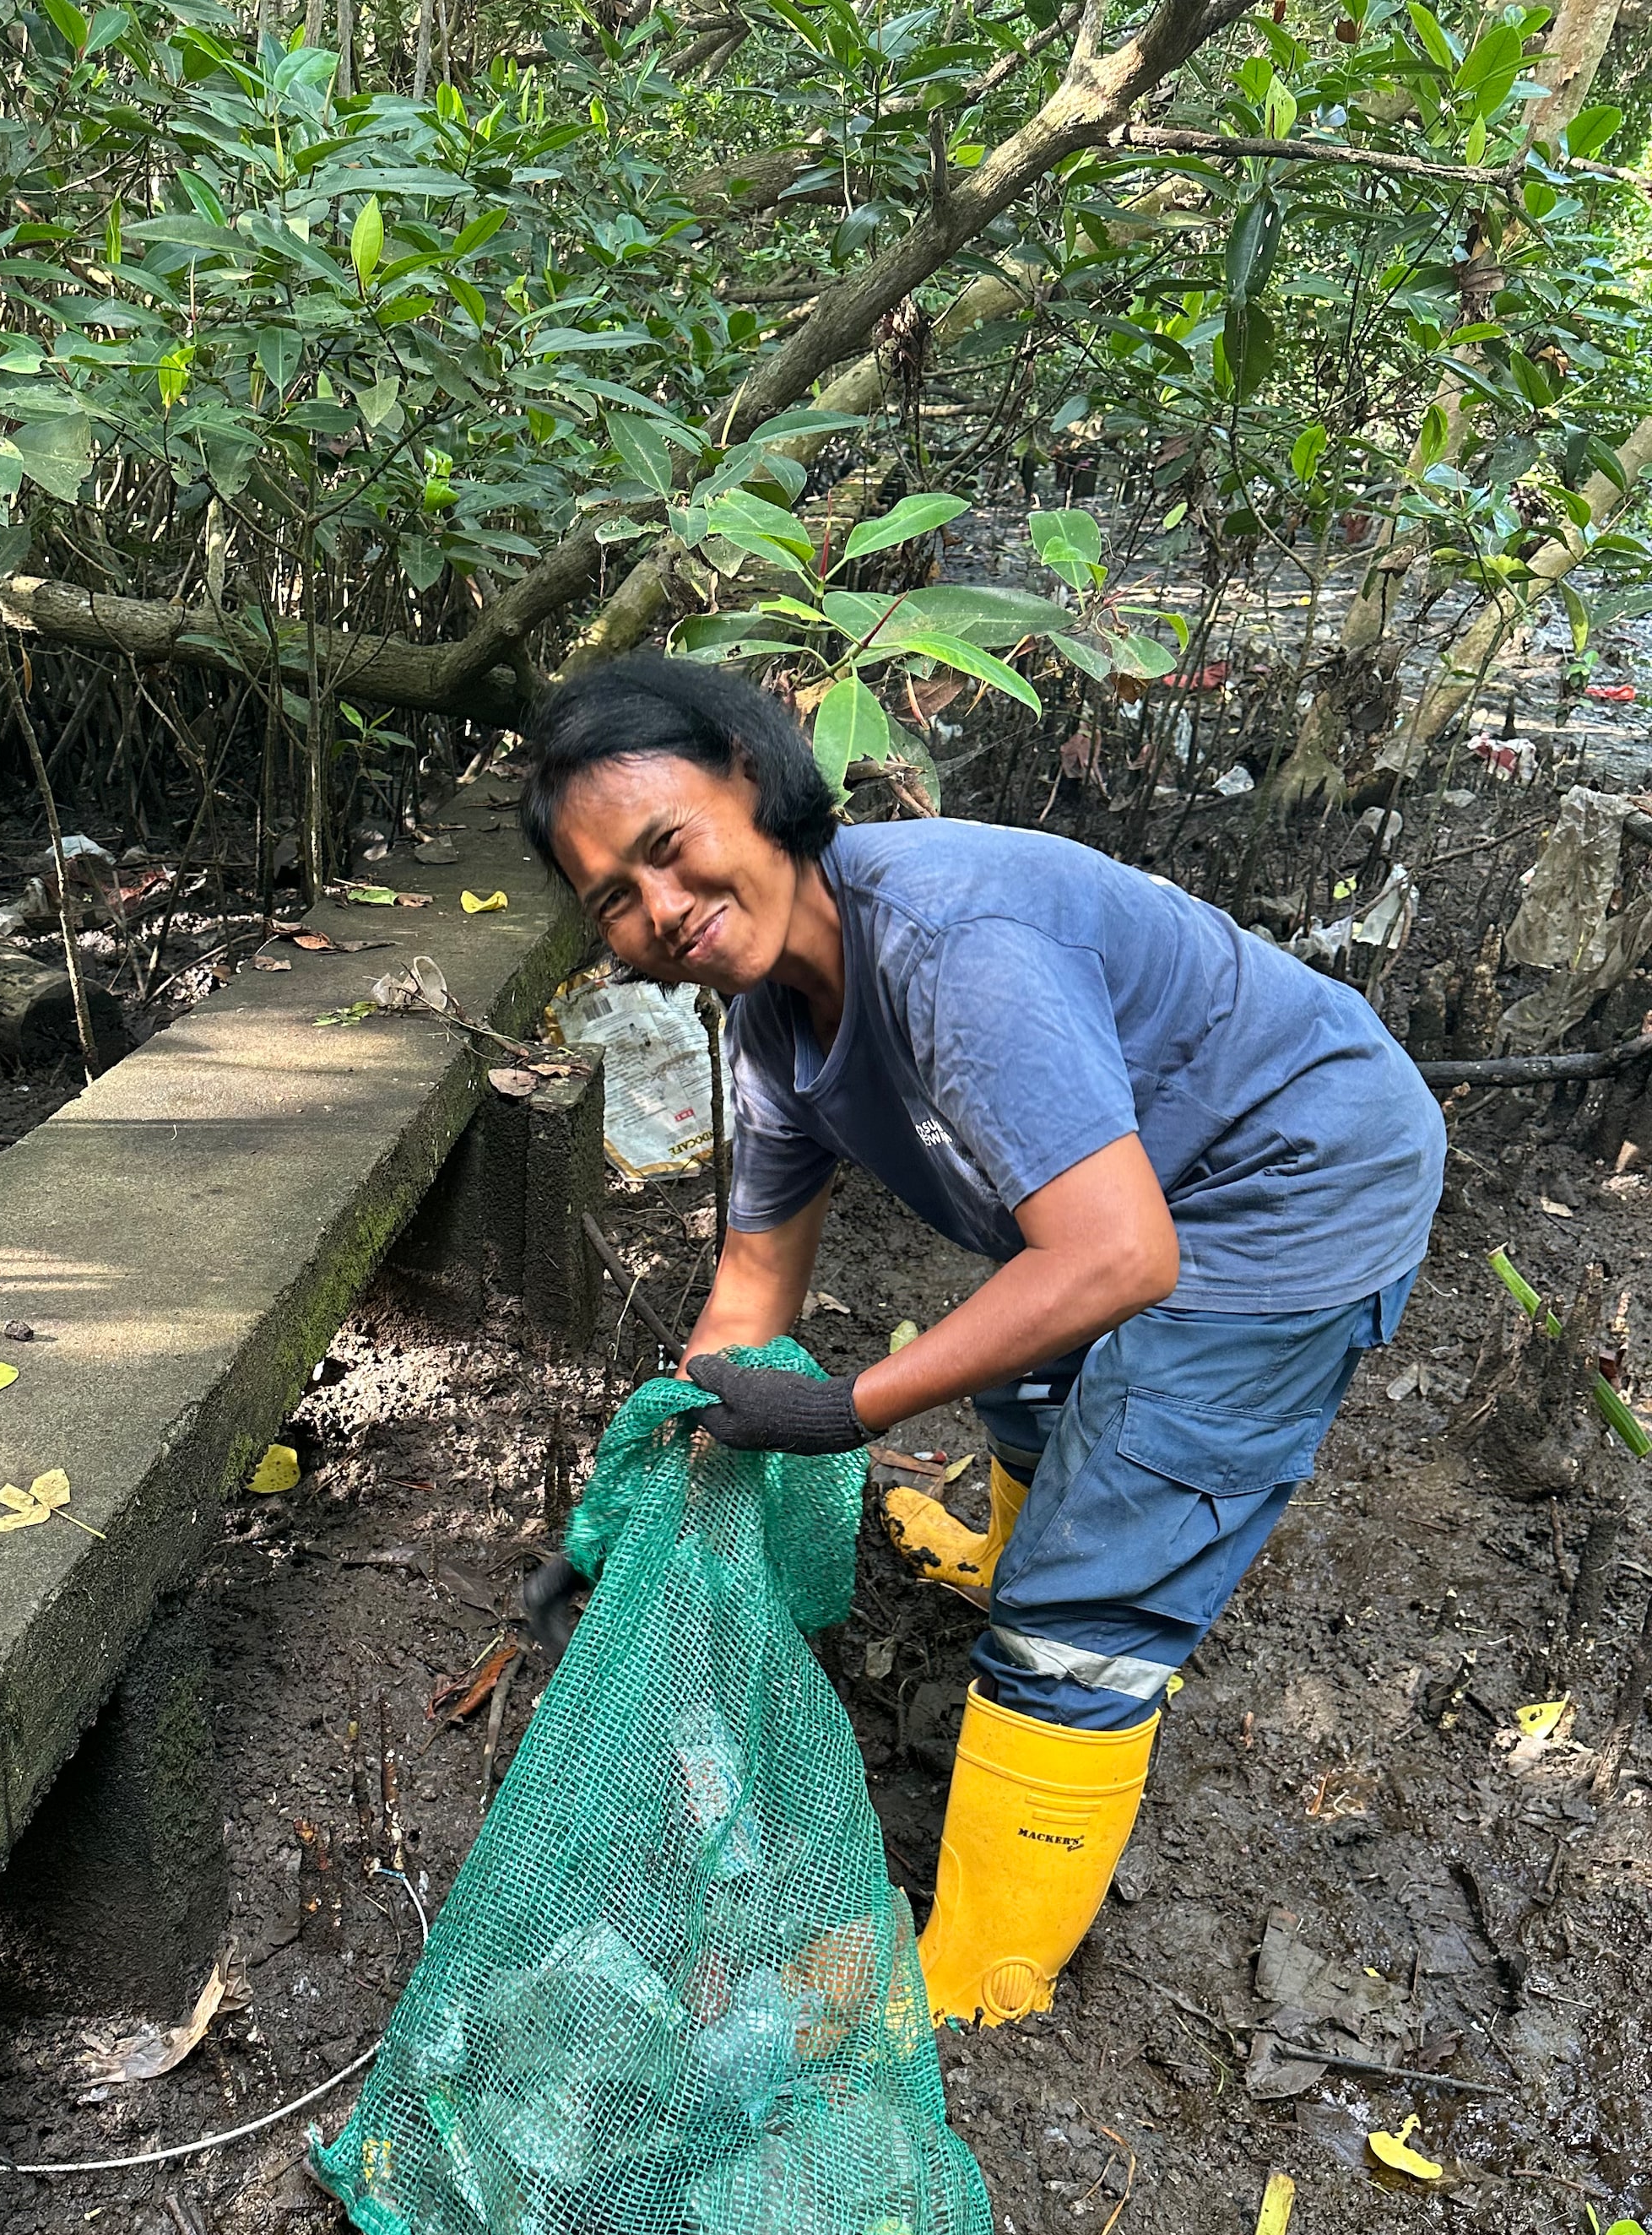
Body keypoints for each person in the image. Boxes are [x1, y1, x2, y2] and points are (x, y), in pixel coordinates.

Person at [519, 653, 1444, 2030]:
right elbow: (750, 1296)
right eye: (615, 898)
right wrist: (621, 1511)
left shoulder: (951, 941)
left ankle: (974, 1981)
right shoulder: (778, 1021)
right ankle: (1010, 1547)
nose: (662, 909)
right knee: (1032, 1357)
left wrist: (853, 1408)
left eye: (669, 848)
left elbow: (1124, 1256)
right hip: (1133, 1188)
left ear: (759, 780)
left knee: (1089, 1595)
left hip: (1294, 1179)